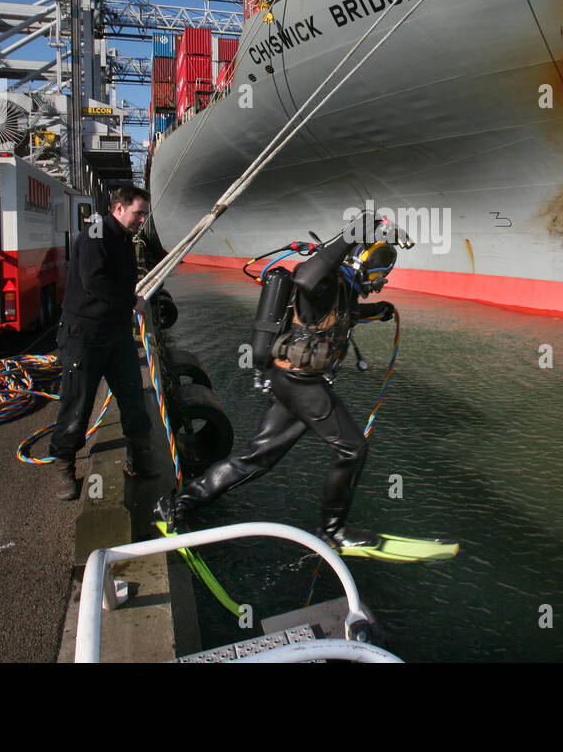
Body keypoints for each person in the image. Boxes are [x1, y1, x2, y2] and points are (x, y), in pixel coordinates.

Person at [156, 213, 411, 548]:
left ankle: (180, 503)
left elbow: (341, 317)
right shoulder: (321, 283)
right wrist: (357, 228)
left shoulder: (341, 292)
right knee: (352, 447)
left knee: (256, 458)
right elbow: (304, 276)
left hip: (290, 382)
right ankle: (333, 531)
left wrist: (378, 310)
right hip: (303, 384)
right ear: (361, 261)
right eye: (380, 268)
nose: (382, 277)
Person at [49, 185, 157, 500]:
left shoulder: (124, 238)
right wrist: (131, 302)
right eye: (138, 214)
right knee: (77, 403)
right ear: (119, 208)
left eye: (144, 215)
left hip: (116, 333)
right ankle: (65, 469)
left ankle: (140, 457)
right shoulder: (95, 236)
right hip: (84, 335)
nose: (142, 220)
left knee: (133, 397)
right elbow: (93, 281)